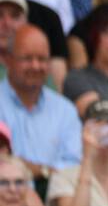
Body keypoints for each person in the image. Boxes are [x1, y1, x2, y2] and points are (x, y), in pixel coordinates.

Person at [0, 26, 82, 183]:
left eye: (42, 59)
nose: (36, 66)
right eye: (27, 58)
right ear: (8, 60)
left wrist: (38, 170)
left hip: (56, 199)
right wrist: (46, 170)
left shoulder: (65, 110)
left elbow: (73, 165)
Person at [45, 99, 108, 206]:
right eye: (97, 123)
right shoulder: (63, 176)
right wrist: (88, 158)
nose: (105, 130)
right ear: (84, 129)